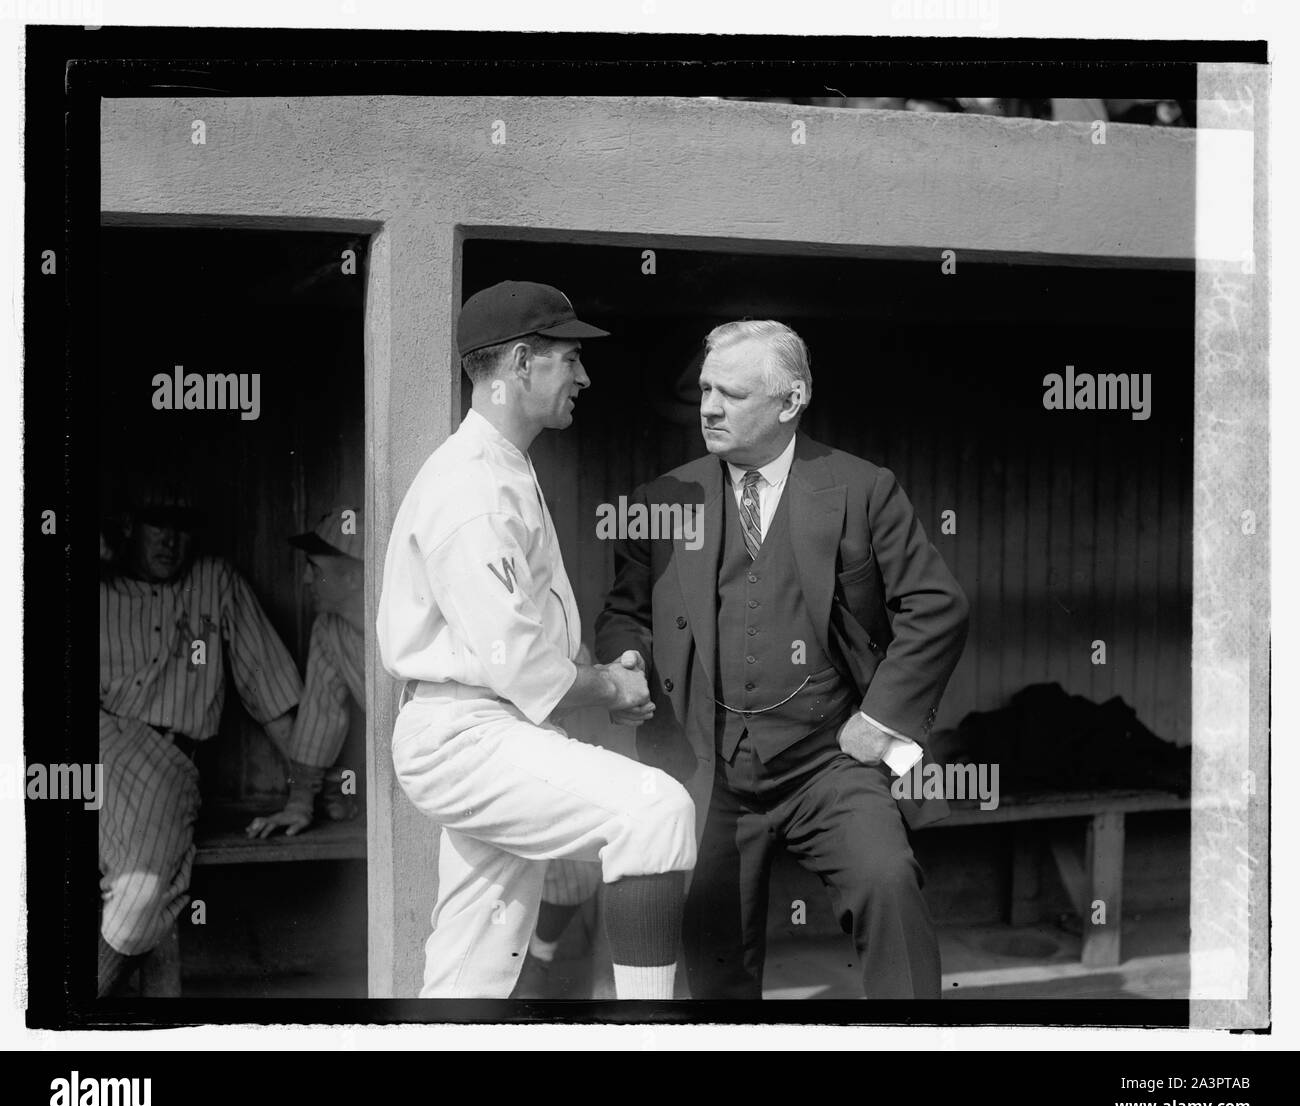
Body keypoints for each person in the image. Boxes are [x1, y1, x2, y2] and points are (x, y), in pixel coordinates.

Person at [596, 319, 969, 1000]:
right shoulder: (665, 499)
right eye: (705, 388)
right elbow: (626, 611)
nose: (708, 406)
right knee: (716, 964)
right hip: (711, 768)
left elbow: (937, 606)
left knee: (888, 883)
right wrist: (626, 658)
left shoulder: (861, 488)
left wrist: (883, 718)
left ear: (790, 401)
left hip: (827, 761)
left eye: (731, 393)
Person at [376, 280, 696, 999]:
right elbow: (517, 663)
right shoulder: (470, 485)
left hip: (490, 724)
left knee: (474, 961)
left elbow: (529, 639)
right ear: (521, 363)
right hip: (466, 730)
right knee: (658, 810)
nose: (583, 375)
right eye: (568, 357)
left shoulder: (503, 466)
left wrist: (601, 674)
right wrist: (612, 686)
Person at [98, 480, 302, 996]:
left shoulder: (213, 581)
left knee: (140, 897)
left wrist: (311, 784)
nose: (171, 540)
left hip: (164, 758)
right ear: (127, 528)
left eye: (183, 528)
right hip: (87, 749)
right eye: (156, 524)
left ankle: (66, 1026)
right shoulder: (95, 587)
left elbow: (269, 688)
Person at [247, 507, 365, 840]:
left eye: (314, 568)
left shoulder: (405, 617)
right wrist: (300, 803)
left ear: (354, 578)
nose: (306, 579)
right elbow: (321, 715)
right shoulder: (329, 628)